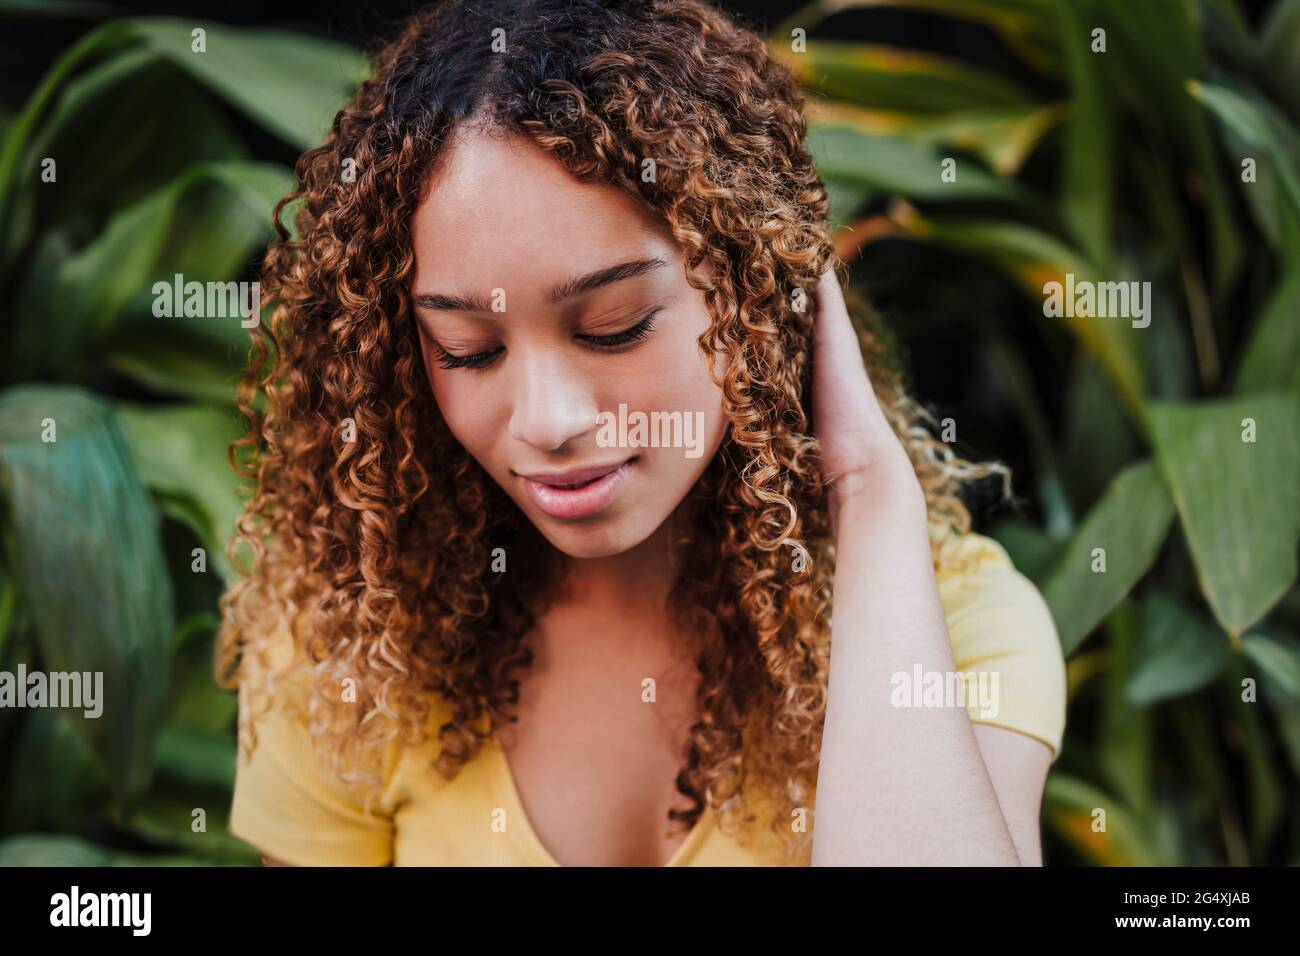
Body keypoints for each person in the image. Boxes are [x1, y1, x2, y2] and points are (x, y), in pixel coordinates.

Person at [217, 0, 1066, 867]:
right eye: (468, 350)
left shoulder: (955, 632)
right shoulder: (358, 632)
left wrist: (868, 493)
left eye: (614, 327)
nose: (548, 421)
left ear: (753, 296)